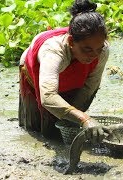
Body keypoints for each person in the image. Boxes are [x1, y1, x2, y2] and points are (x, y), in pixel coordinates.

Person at [18, 0, 110, 144]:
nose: (94, 55)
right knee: (37, 130)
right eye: (87, 49)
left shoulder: (102, 50)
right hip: (35, 71)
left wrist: (75, 118)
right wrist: (85, 119)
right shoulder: (54, 52)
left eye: (98, 49)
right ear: (71, 42)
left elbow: (89, 87)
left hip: (71, 79)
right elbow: (48, 97)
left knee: (66, 123)